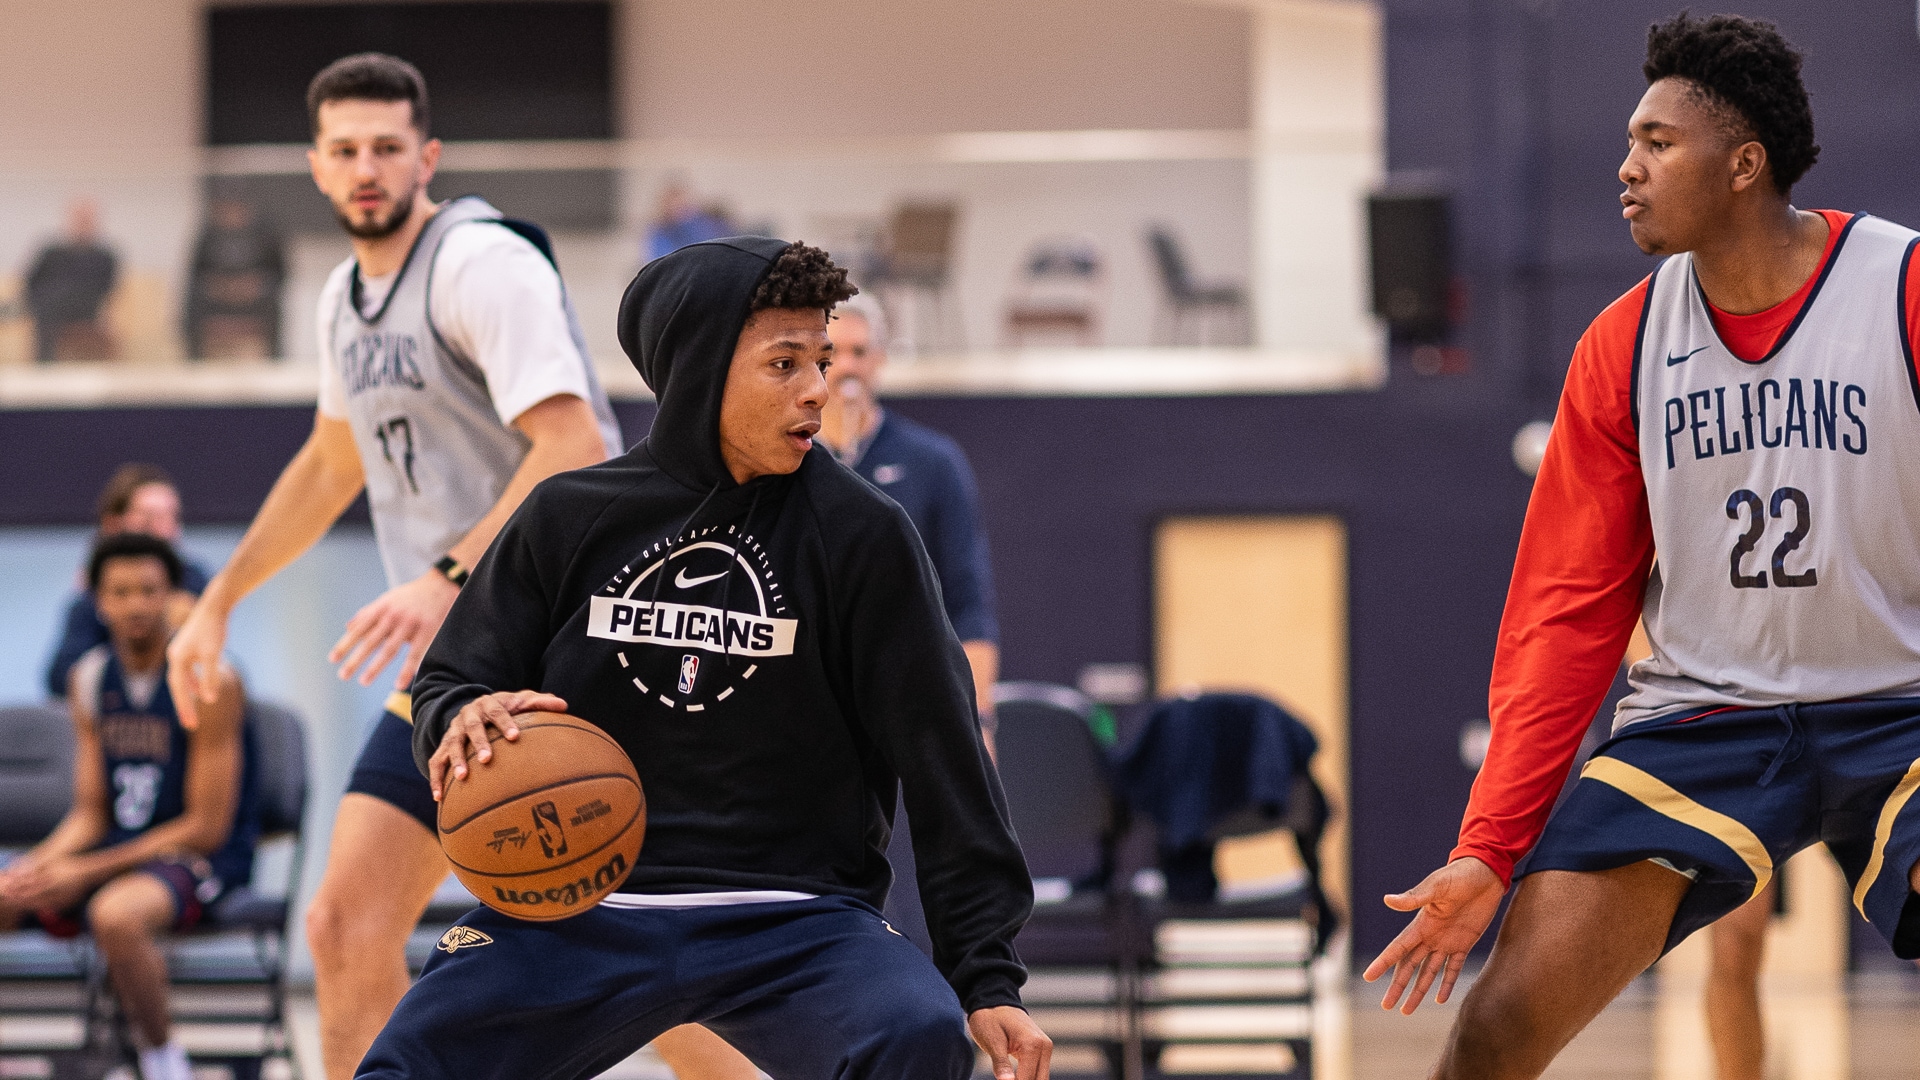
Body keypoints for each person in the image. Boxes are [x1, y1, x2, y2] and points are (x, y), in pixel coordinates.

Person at [1363, 14, 1920, 1078]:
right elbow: (1564, 616)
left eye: (1658, 143)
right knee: (1497, 1028)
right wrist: (1488, 849)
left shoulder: (1903, 289)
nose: (1625, 169)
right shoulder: (1622, 345)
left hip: (1900, 702)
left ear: (1744, 163)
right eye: (1630, 142)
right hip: (1707, 715)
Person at [358, 239, 1050, 1080]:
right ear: (699, 368)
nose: (818, 391)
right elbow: (451, 676)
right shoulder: (569, 514)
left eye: (822, 360)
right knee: (404, 1065)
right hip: (573, 906)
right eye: (784, 363)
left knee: (913, 1033)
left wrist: (986, 974)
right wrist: (459, 715)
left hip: (796, 918)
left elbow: (947, 763)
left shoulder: (864, 534)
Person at [165, 53, 623, 1080]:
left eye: (386, 147)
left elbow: (575, 444)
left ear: (428, 155)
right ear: (317, 167)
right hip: (458, 656)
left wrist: (446, 578)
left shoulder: (481, 263)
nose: (366, 167)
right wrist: (221, 599)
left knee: (628, 952)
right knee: (341, 924)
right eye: (345, 150)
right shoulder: (341, 297)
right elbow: (332, 462)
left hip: (562, 636)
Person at [1, 533, 257, 1080]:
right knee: (4, 891)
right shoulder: (89, 678)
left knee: (114, 915)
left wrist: (84, 870)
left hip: (200, 858)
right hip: (121, 850)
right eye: (121, 592)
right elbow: (92, 811)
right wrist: (40, 865)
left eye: (149, 590)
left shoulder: (210, 679)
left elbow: (206, 827)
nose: (137, 604)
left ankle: (165, 1063)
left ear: (171, 596)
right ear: (99, 602)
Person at [822, 294, 1002, 957]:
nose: (844, 367)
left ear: (881, 361)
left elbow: (970, 600)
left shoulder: (931, 462)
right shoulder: (788, 463)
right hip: (814, 723)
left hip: (912, 713)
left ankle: (949, 1033)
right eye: (829, 352)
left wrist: (979, 720)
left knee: (926, 898)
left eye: (858, 352)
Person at [45, 464, 212, 700]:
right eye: (149, 517)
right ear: (113, 523)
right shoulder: (90, 596)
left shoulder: (195, 581)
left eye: (171, 516)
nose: (165, 528)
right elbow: (60, 679)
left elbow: (210, 670)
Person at [184, 197, 285, 360]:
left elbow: (279, 273)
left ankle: (274, 360)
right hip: (216, 302)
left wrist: (251, 286)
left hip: (255, 302)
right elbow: (196, 275)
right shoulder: (208, 235)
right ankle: (194, 362)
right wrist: (221, 287)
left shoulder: (264, 234)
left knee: (273, 301)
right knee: (193, 300)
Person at [26, 197, 118, 362]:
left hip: (86, 309)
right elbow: (32, 282)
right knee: (47, 308)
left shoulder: (105, 256)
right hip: (50, 310)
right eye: (79, 219)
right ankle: (44, 369)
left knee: (54, 302)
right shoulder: (51, 252)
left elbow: (107, 288)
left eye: (86, 219)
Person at [647, 177, 734, 262]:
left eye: (680, 202)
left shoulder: (706, 224)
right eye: (672, 203)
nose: (677, 207)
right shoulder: (661, 232)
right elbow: (660, 259)